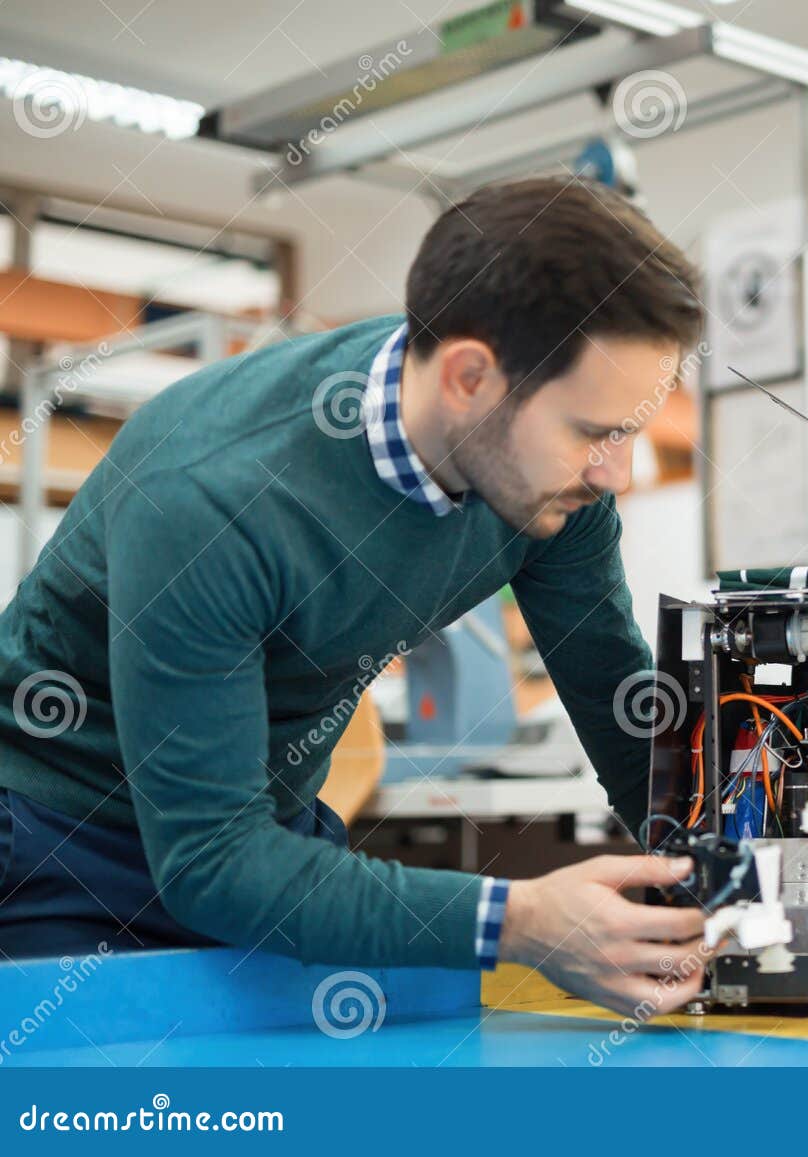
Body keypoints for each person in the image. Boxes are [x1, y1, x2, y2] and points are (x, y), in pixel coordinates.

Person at [0, 177, 709, 1016]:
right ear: (469, 378)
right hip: (69, 841)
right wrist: (516, 920)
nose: (617, 473)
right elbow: (211, 863)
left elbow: (619, 704)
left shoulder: (554, 489)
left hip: (269, 839)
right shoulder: (210, 499)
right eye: (596, 432)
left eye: (631, 428)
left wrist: (732, 875)